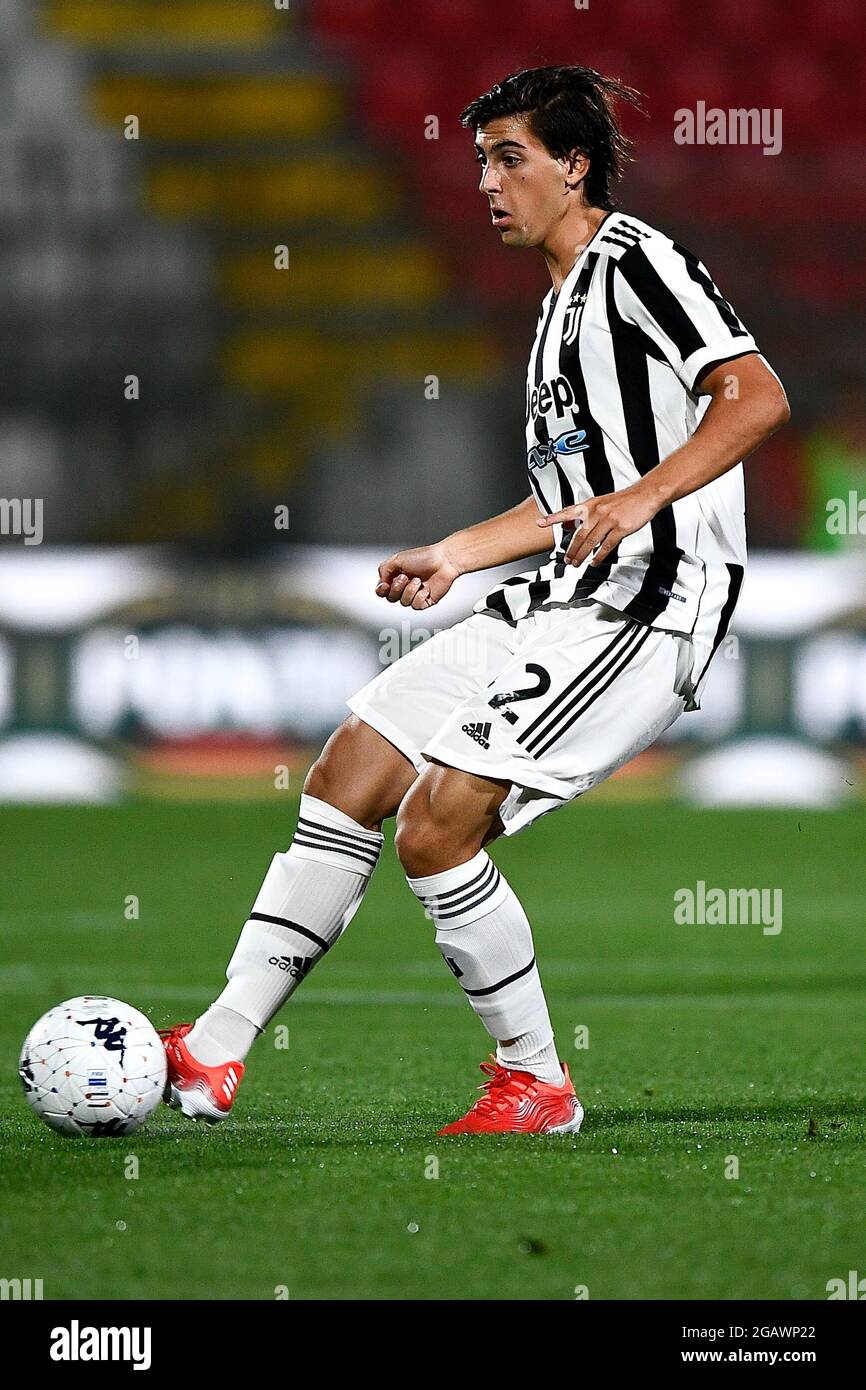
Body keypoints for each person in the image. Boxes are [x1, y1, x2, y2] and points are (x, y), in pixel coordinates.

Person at [160, 66, 790, 1134]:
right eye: (479, 164)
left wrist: (642, 498)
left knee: (438, 827)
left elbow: (755, 394)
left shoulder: (636, 261)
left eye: (509, 159)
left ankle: (534, 1080)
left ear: (572, 165)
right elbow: (564, 499)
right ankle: (214, 1050)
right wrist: (458, 552)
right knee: (350, 765)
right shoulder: (557, 312)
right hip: (563, 592)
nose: (487, 184)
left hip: (647, 604)